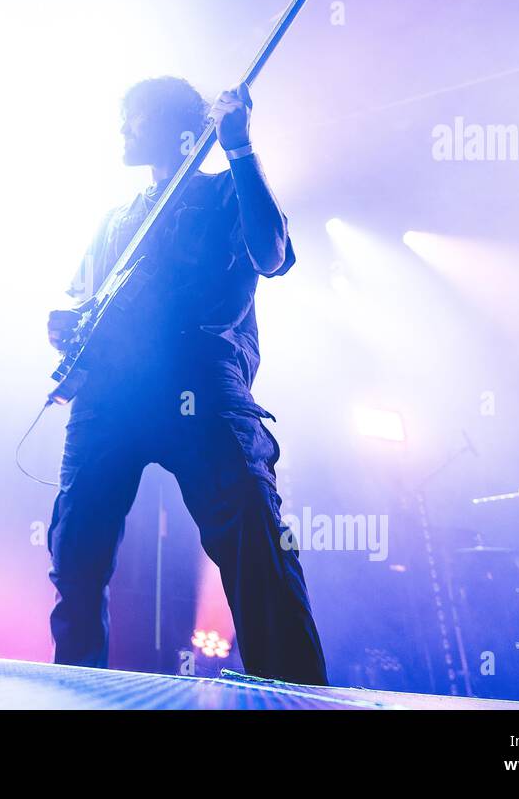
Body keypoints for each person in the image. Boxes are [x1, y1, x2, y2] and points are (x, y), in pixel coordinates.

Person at [45, 76, 327, 684]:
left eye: (136, 116)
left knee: (253, 537)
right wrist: (67, 324)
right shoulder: (115, 219)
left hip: (197, 375)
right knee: (75, 552)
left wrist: (239, 147)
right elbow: (86, 302)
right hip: (111, 391)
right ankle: (76, 686)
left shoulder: (225, 190)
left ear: (177, 128)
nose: (124, 128)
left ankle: (296, 693)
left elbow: (272, 255)